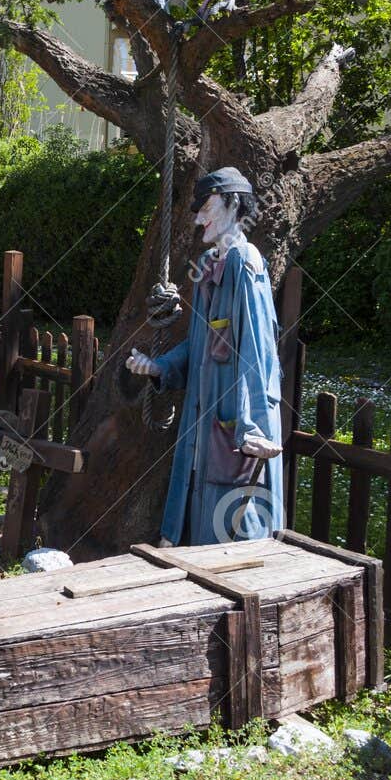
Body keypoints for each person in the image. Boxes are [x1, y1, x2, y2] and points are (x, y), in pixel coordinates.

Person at [126, 167, 284, 546]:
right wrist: (159, 366)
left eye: (205, 206)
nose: (198, 217)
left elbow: (260, 352)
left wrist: (254, 426)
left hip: (238, 422)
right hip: (206, 419)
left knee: (237, 537)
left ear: (232, 205)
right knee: (202, 525)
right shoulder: (212, 264)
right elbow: (199, 345)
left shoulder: (244, 263)